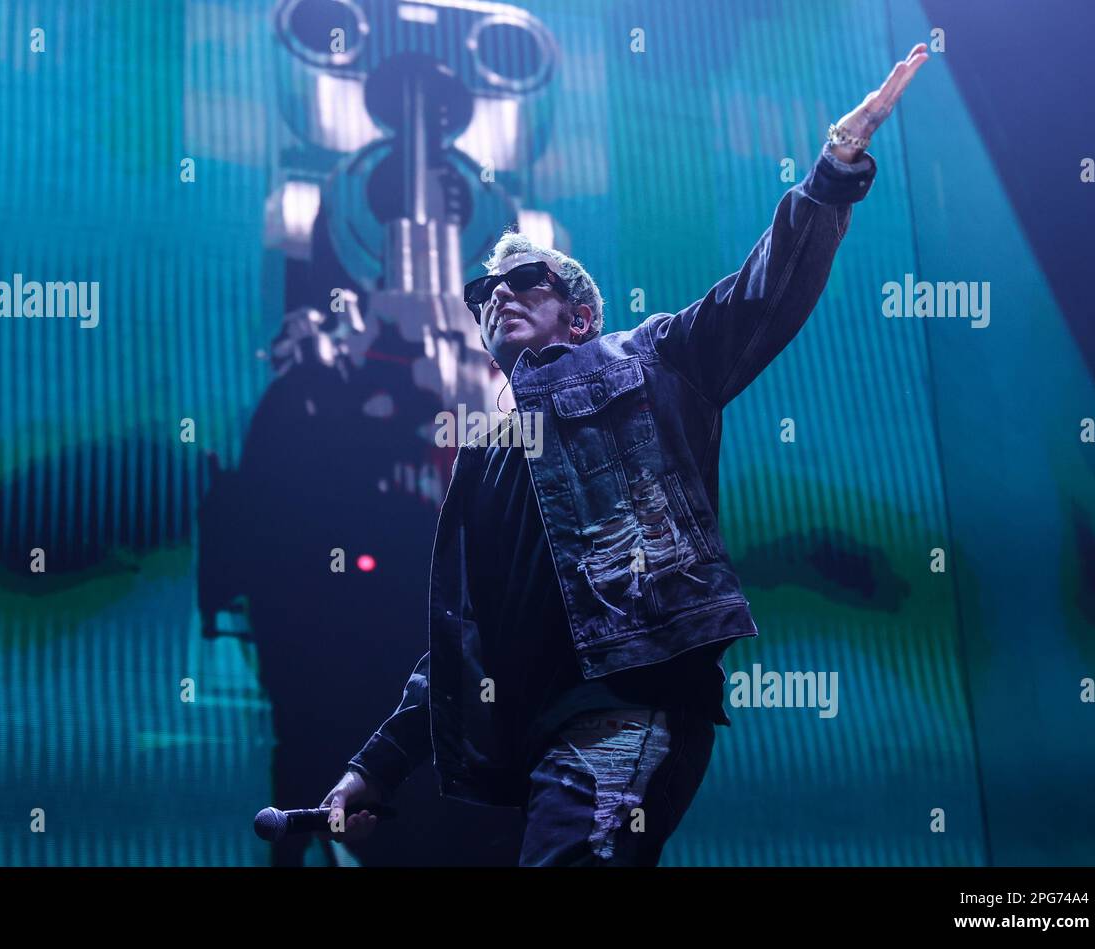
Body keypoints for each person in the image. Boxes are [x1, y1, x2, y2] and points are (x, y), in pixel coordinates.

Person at [321, 44, 929, 866]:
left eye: (524, 278)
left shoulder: (649, 362)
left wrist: (832, 172)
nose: (496, 292)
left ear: (577, 316)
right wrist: (377, 763)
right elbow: (465, 631)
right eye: (482, 292)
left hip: (631, 707)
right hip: (537, 737)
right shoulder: (490, 449)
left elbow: (761, 292)